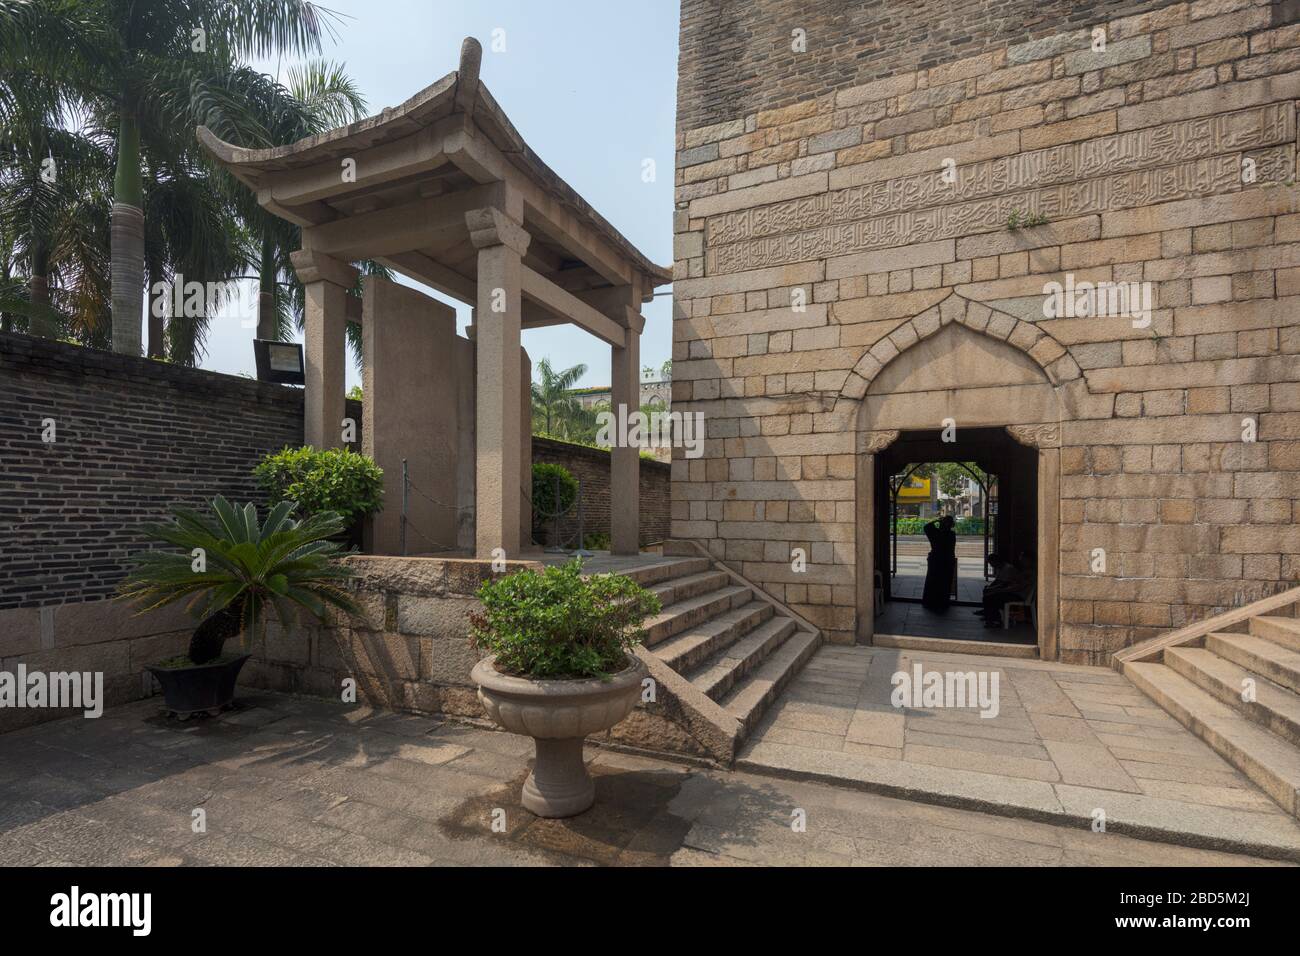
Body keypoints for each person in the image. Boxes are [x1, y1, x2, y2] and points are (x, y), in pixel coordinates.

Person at [977, 553, 1030, 629]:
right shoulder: (1001, 568)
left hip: (1018, 595)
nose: (991, 565)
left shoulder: (1009, 569)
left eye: (991, 563)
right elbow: (998, 581)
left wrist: (996, 590)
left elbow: (1007, 584)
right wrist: (990, 588)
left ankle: (994, 619)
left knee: (990, 598)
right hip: (1013, 592)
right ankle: (989, 615)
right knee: (989, 594)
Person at [921, 515, 957, 611]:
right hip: (948, 561)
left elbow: (926, 526)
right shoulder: (952, 534)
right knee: (945, 583)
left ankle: (930, 602)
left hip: (935, 559)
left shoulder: (935, 533)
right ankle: (943, 602)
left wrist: (937, 520)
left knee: (932, 581)